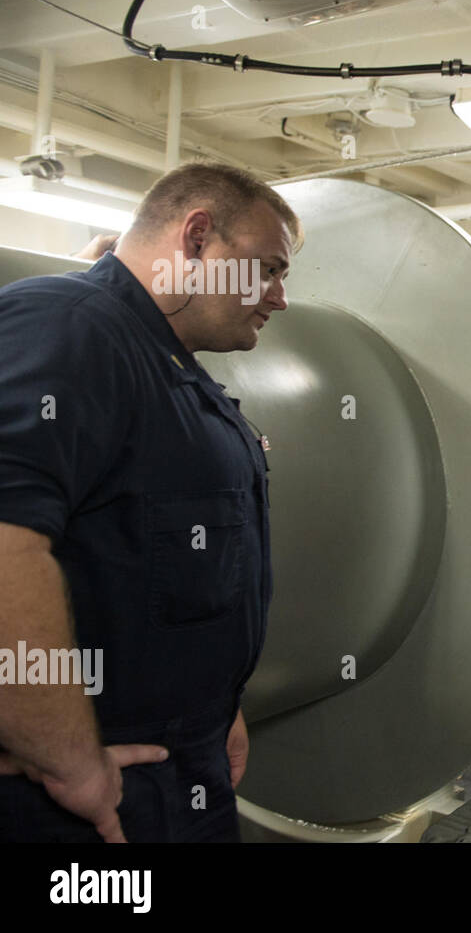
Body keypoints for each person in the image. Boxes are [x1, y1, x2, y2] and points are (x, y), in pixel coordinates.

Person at [0, 162, 298, 842]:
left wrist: (219, 707)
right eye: (270, 268)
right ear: (197, 238)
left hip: (177, 768)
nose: (279, 298)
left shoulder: (170, 365)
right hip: (88, 800)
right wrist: (71, 762)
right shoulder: (70, 327)